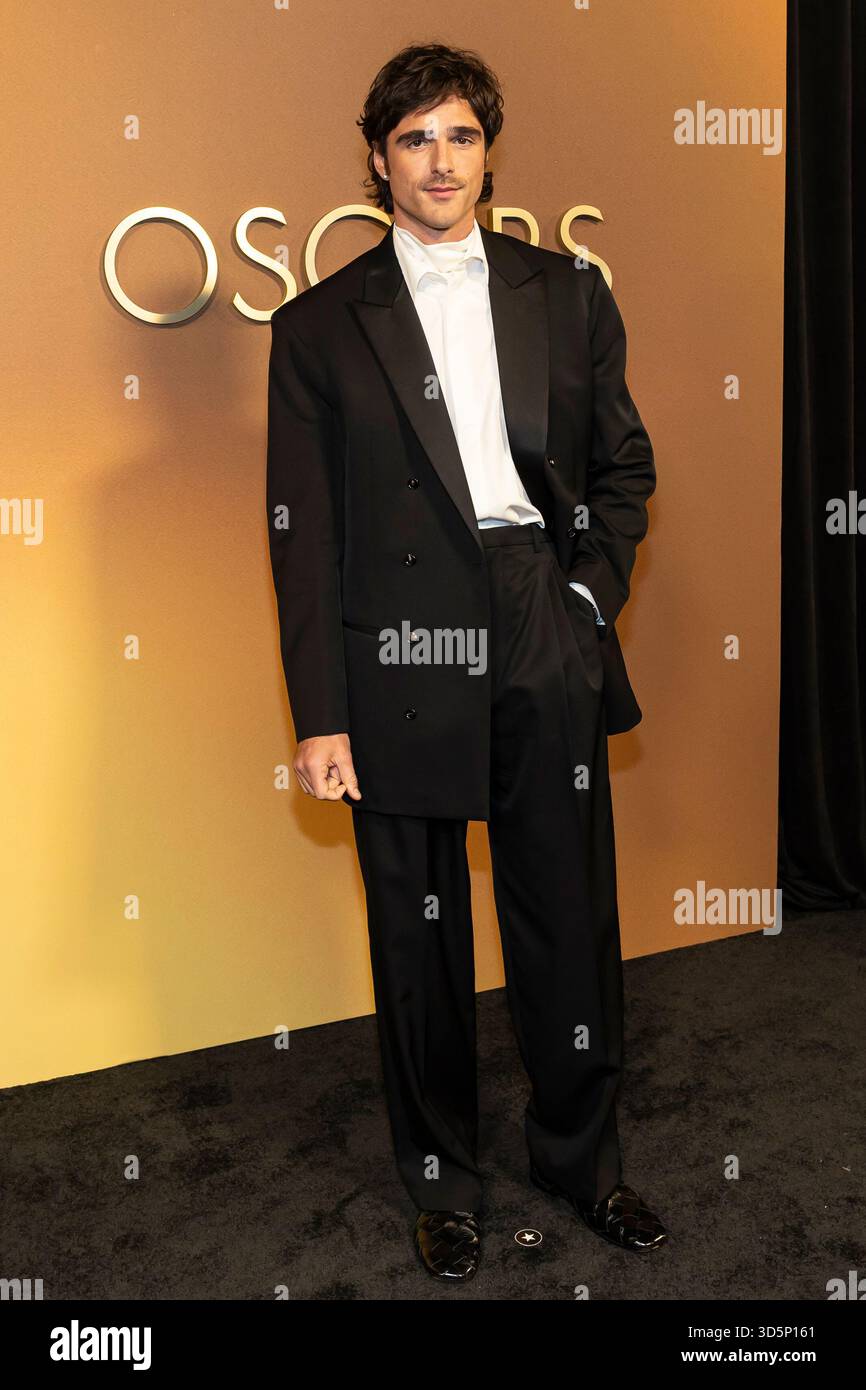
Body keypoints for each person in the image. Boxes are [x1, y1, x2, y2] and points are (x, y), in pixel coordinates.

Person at [266, 41, 668, 1282]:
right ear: (378, 161)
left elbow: (622, 472)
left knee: (566, 917)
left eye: (459, 135)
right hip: (393, 646)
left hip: (536, 613)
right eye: (413, 139)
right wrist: (320, 716)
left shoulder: (568, 291)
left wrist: (587, 601)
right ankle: (439, 1181)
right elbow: (305, 538)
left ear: (487, 151)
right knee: (417, 931)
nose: (438, 160)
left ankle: (578, 1160)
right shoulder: (318, 326)